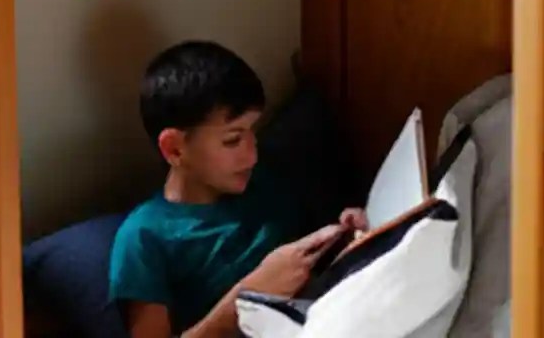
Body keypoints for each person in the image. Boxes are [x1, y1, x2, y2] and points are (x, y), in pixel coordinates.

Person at [109, 40, 366, 338]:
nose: (252, 154)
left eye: (252, 133)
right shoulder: (144, 238)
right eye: (232, 140)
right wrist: (248, 297)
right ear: (175, 149)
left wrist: (345, 236)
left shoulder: (266, 182)